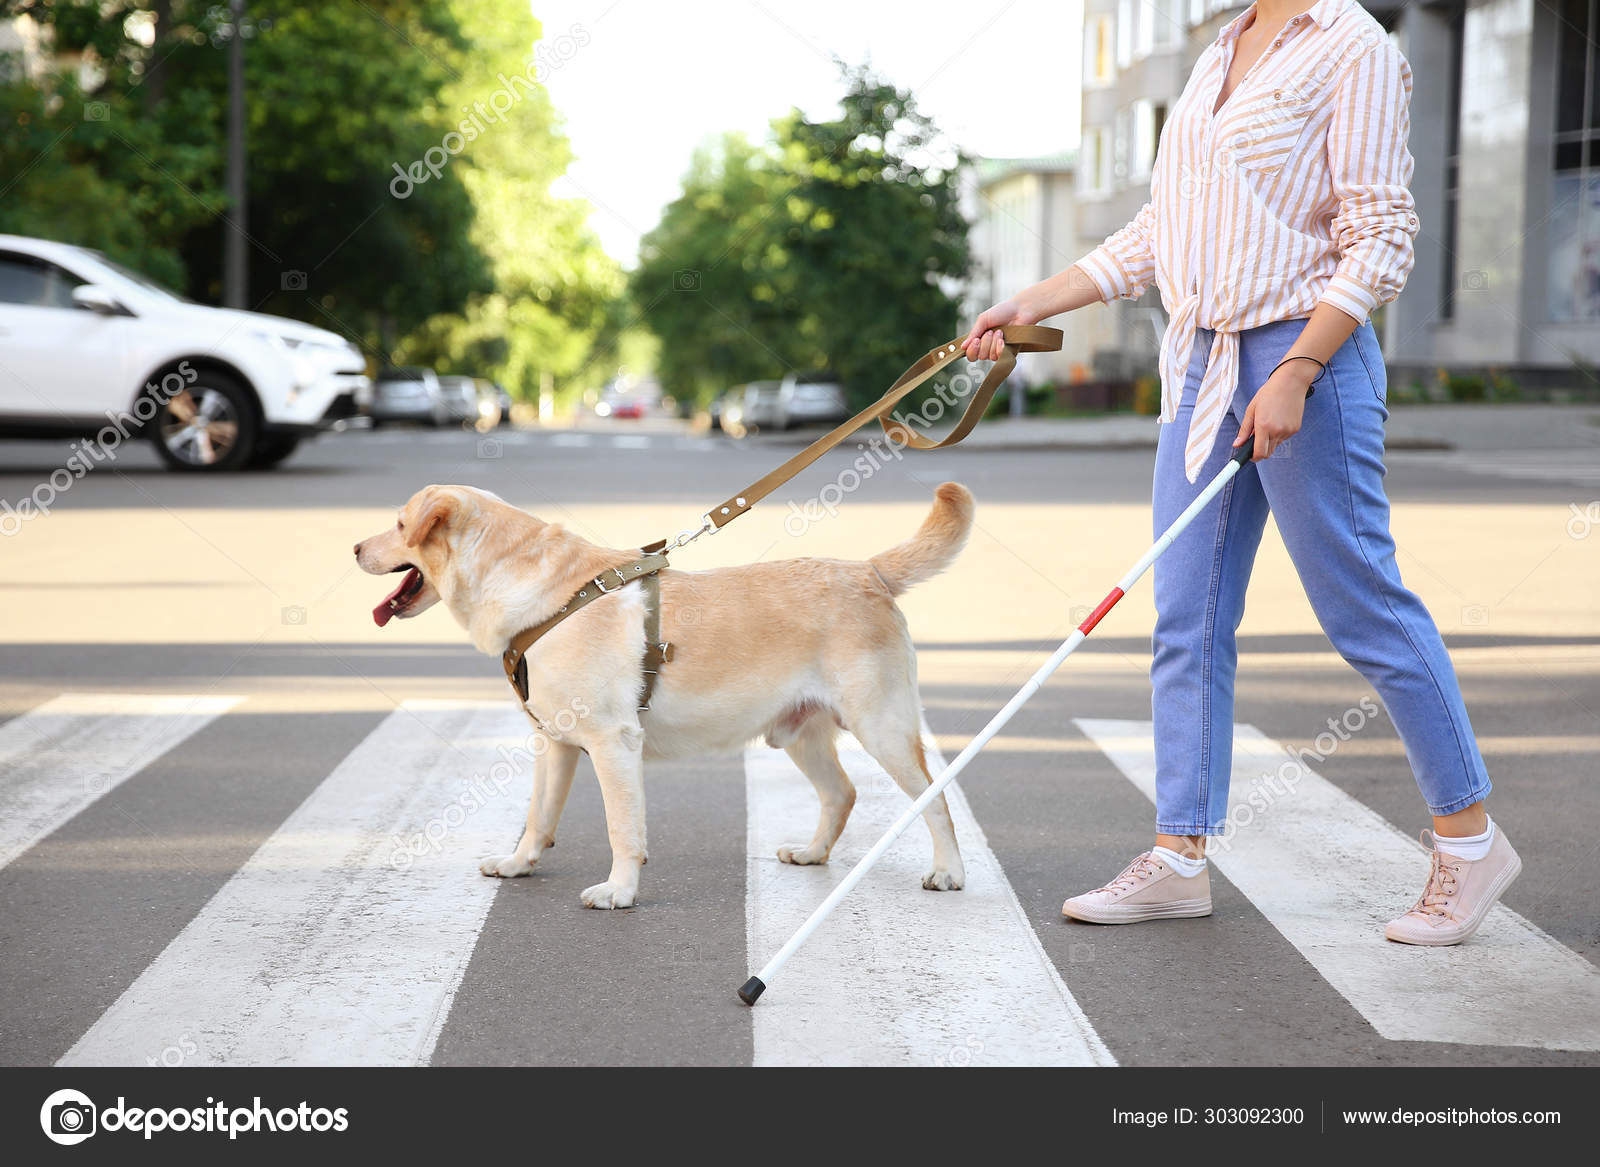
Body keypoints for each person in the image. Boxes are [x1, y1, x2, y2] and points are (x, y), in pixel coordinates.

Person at [963, 0, 1518, 945]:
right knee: (1187, 617)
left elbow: (1381, 231)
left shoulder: (1353, 45)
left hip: (1308, 357)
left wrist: (1298, 368)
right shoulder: (1220, 49)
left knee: (1363, 609)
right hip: (1201, 367)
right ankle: (1179, 856)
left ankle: (1468, 843)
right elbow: (1160, 232)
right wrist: (1035, 299)